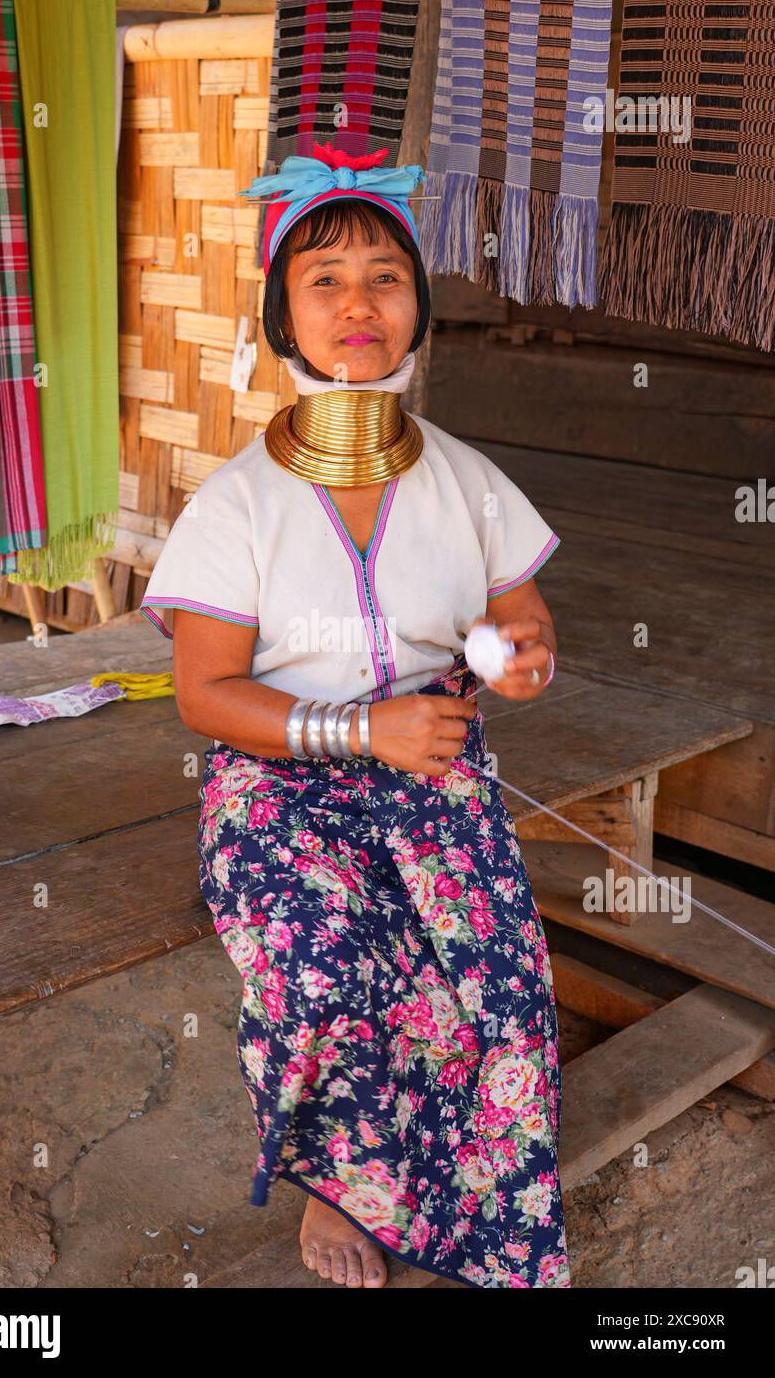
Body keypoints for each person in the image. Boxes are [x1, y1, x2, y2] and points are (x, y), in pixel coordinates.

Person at [139, 140, 569, 1290]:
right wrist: (358, 731)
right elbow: (203, 695)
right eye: (322, 278)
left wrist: (518, 664)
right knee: (334, 971)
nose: (357, 301)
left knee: (499, 986)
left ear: (417, 308)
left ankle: (477, 1199)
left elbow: (525, 625)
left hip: (432, 767)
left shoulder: (467, 480)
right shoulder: (235, 505)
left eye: (385, 275)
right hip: (277, 781)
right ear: (283, 315)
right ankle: (338, 1186)